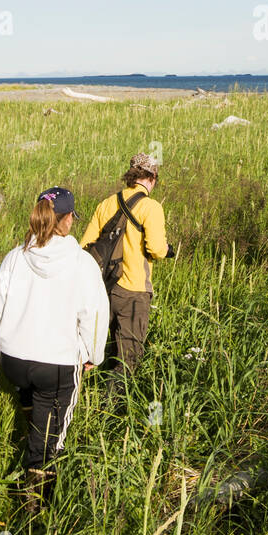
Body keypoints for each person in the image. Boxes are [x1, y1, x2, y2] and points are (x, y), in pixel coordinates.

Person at [0, 187, 109, 509]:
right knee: (51, 435)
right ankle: (37, 500)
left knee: (34, 399)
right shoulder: (81, 262)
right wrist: (93, 355)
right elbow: (95, 313)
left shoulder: (15, 257)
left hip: (15, 361)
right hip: (57, 363)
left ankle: (31, 430)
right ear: (67, 220)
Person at [80, 152, 170, 384]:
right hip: (134, 291)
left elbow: (84, 247)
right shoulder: (151, 207)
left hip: (103, 288)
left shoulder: (106, 204)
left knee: (93, 350)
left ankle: (78, 393)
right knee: (127, 357)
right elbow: (157, 249)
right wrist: (168, 249)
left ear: (131, 175)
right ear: (152, 177)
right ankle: (113, 408)